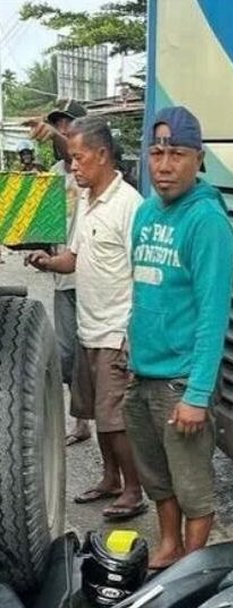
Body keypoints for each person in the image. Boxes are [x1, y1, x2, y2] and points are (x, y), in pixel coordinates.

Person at [124, 106, 233, 569]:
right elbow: (143, 289)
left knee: (193, 486)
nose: (164, 166)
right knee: (157, 477)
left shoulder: (207, 222)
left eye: (177, 155)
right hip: (142, 373)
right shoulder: (146, 212)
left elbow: (213, 315)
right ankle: (169, 546)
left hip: (180, 383)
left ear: (198, 159)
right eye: (156, 154)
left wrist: (197, 393)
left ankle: (192, 569)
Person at [26, 116, 146, 521]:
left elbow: (143, 275)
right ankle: (110, 479)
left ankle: (134, 490)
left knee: (115, 420)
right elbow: (73, 259)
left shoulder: (129, 205)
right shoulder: (88, 201)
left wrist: (132, 333)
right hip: (88, 329)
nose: (73, 165)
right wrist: (47, 262)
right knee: (95, 412)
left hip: (115, 332)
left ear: (102, 155)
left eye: (79, 158)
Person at [36, 99, 91, 445]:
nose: (62, 130)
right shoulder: (55, 174)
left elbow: (74, 151)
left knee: (97, 352)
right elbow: (43, 223)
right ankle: (81, 420)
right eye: (57, 124)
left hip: (91, 277)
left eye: (67, 124)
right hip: (62, 275)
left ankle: (108, 423)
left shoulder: (92, 168)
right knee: (68, 354)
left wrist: (56, 136)